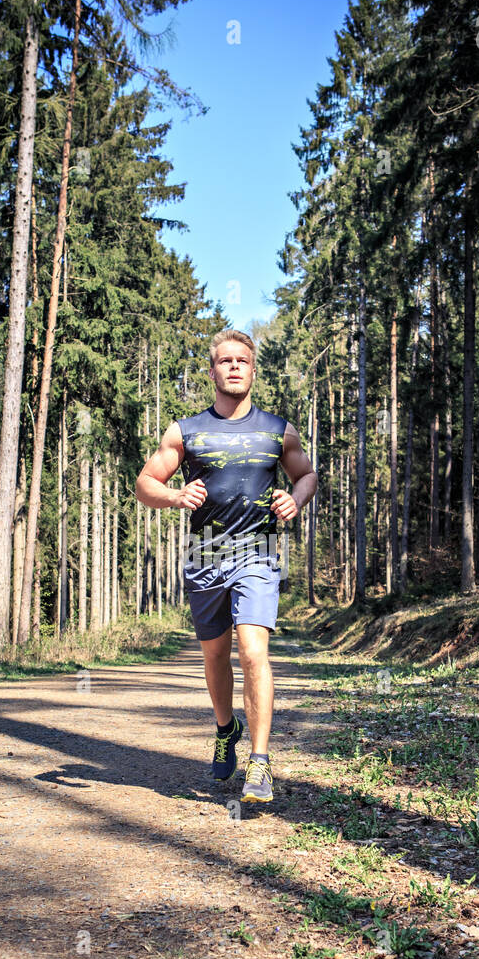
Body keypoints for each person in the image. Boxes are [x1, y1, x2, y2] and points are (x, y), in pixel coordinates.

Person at [135, 328, 317, 803]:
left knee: (253, 648)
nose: (234, 367)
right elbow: (144, 484)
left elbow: (306, 475)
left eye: (243, 360)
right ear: (211, 370)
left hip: (256, 553)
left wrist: (294, 500)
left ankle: (259, 763)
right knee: (215, 655)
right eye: (225, 361)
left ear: (253, 370)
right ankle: (224, 727)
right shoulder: (185, 430)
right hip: (204, 556)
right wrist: (175, 496)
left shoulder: (278, 430)